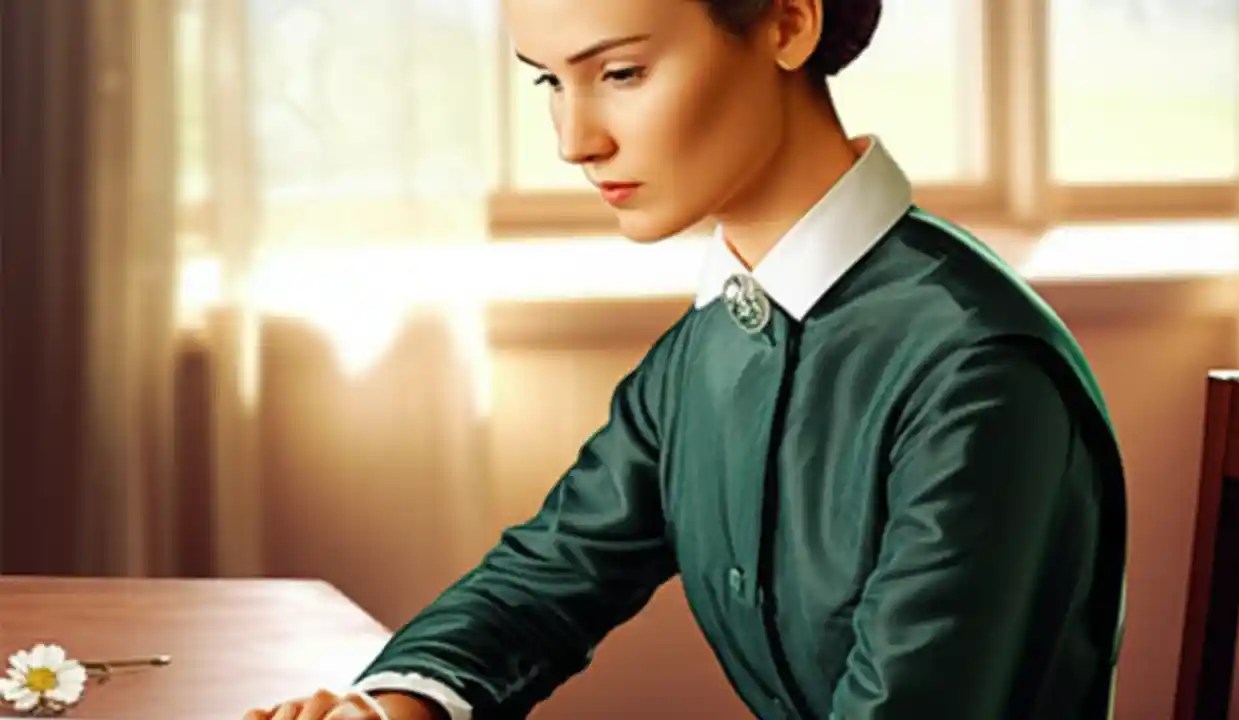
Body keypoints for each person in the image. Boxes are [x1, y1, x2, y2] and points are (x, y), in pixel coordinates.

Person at [242, 0, 1128, 718]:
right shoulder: (717, 339)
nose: (575, 140)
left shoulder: (976, 374)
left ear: (788, 23)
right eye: (552, 81)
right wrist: (403, 704)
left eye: (620, 73)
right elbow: (551, 573)